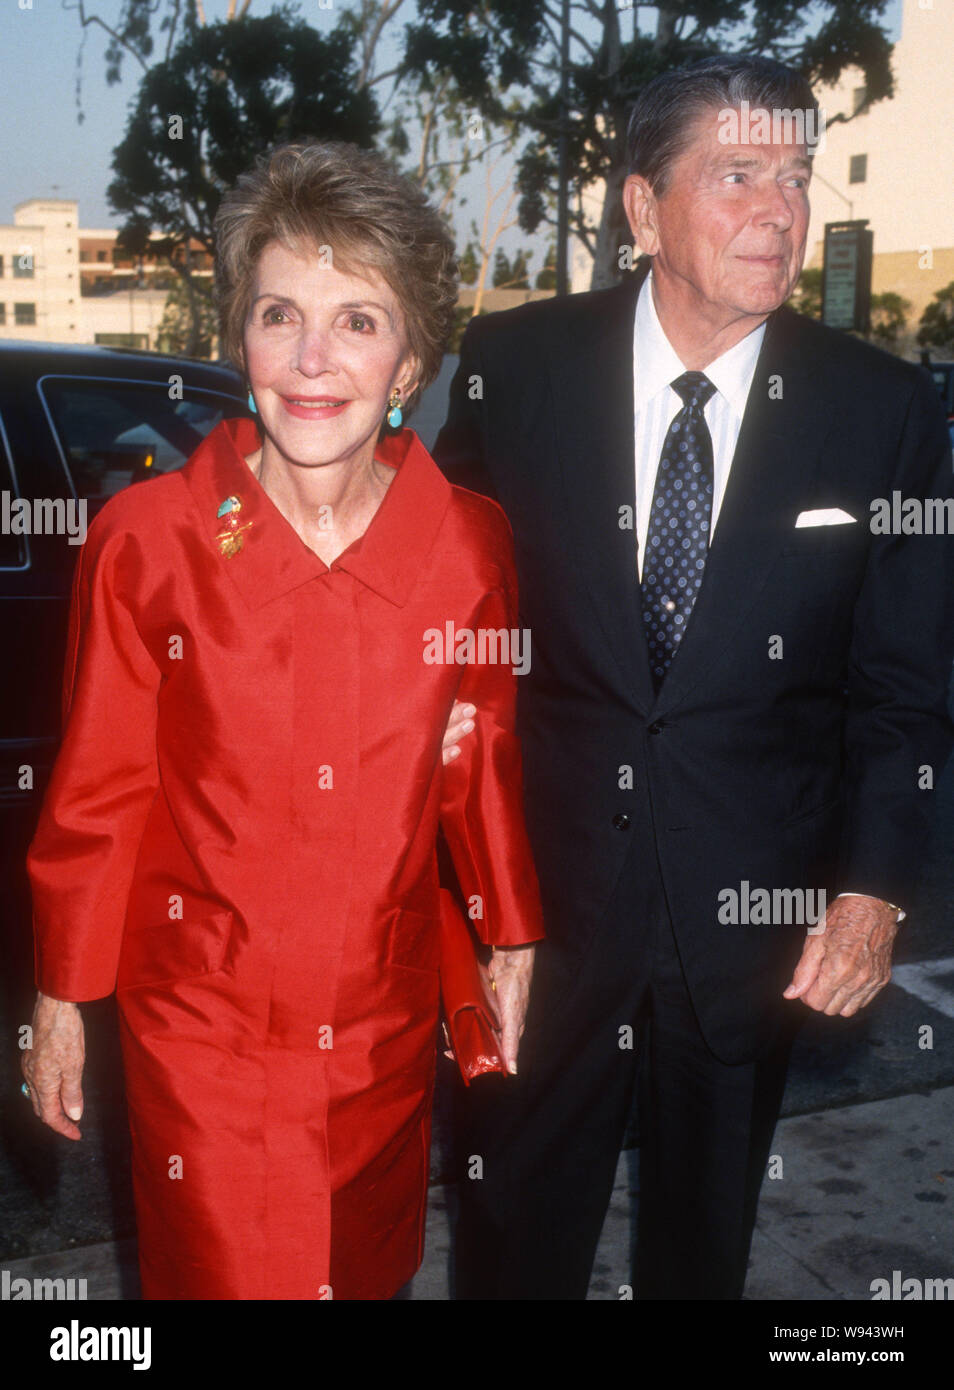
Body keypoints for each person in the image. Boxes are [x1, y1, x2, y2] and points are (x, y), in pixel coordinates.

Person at [434, 55, 954, 1299]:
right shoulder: (519, 366)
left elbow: (907, 683)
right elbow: (442, 614)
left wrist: (874, 893)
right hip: (536, 912)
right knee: (512, 1236)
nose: (780, 210)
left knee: (702, 1247)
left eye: (795, 177)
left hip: (752, 923)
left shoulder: (880, 410)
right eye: (736, 176)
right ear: (640, 208)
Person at [21, 141, 543, 1301]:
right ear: (237, 339)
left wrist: (509, 929)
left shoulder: (469, 546)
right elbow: (100, 793)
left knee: (359, 1276)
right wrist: (60, 1001)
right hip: (200, 1028)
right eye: (279, 314)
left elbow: (479, 756)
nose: (313, 359)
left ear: (409, 358)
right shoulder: (148, 542)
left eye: (359, 321)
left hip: (380, 1025)